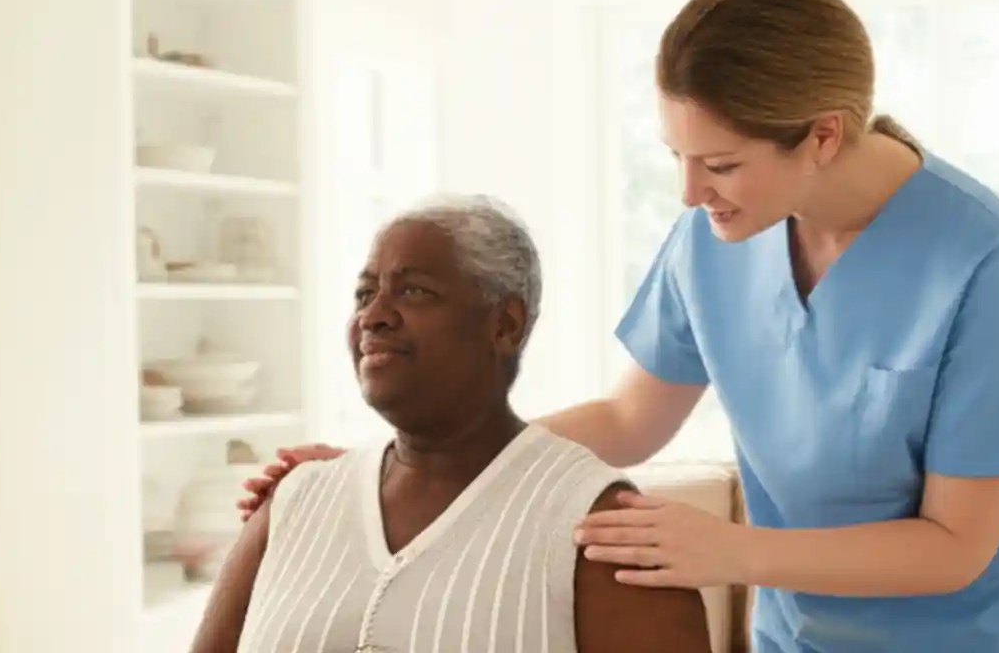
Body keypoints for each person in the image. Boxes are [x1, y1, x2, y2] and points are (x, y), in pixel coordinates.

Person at [241, 0, 999, 653]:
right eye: (677, 156)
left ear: (823, 135)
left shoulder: (984, 258)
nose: (690, 193)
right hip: (801, 638)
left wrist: (734, 552)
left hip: (978, 636)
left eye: (719, 164)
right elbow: (629, 416)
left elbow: (957, 545)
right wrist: (396, 465)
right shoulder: (718, 237)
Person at [196, 196, 711, 653]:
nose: (373, 315)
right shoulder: (294, 502)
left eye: (414, 292)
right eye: (363, 294)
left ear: (504, 324)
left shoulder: (602, 529)